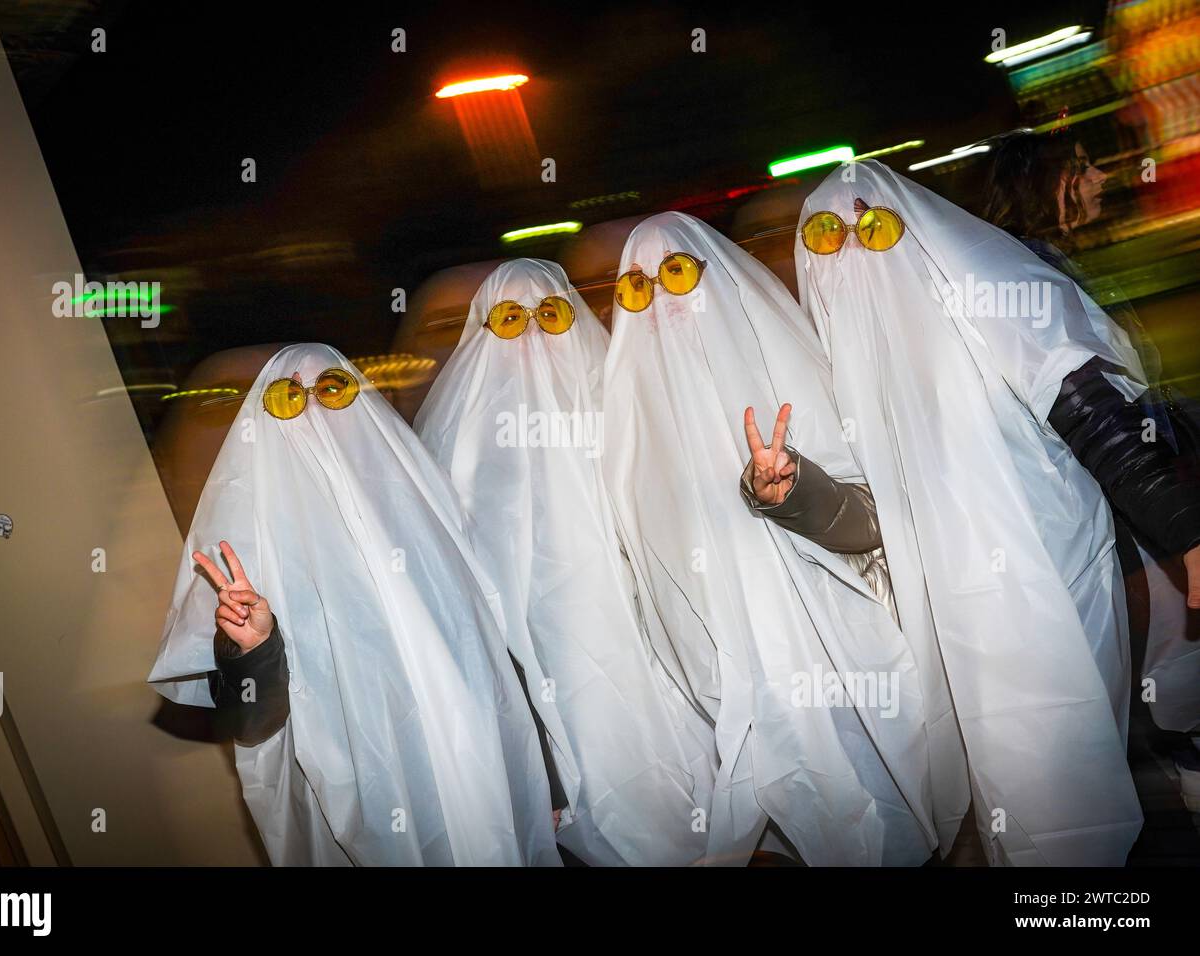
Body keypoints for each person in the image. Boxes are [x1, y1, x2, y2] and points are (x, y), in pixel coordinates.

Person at [782, 158, 1148, 865]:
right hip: (951, 625)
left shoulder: (992, 321)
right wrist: (795, 492)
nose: (852, 249)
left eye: (875, 229)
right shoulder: (836, 370)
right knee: (1007, 808)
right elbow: (870, 519)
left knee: (1066, 796)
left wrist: (1184, 528)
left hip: (1054, 592)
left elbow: (1098, 419)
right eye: (826, 236)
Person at [603, 211, 948, 866]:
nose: (660, 299)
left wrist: (788, 491)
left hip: (839, 669)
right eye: (637, 288)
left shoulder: (788, 369)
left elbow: (871, 522)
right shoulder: (622, 432)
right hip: (722, 699)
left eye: (676, 274)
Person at [148, 343, 562, 866]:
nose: (315, 414)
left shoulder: (426, 511)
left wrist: (543, 782)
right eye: (289, 401)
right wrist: (254, 649)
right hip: (362, 808)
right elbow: (252, 725)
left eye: (332, 392)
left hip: (481, 770)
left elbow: (498, 649)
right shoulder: (249, 561)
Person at [414, 258, 718, 866]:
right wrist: (542, 770)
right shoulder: (453, 455)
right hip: (552, 705)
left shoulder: (621, 411)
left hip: (664, 675)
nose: (531, 334)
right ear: (483, 331)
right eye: (510, 320)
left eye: (549, 316)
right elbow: (469, 628)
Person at [983, 129, 1200, 774]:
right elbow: (1092, 408)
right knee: (1159, 676)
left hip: (1135, 494)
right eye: (1081, 167)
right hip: (1116, 507)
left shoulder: (1051, 261)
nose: (1102, 176)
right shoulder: (1026, 275)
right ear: (1040, 184)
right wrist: (1181, 523)